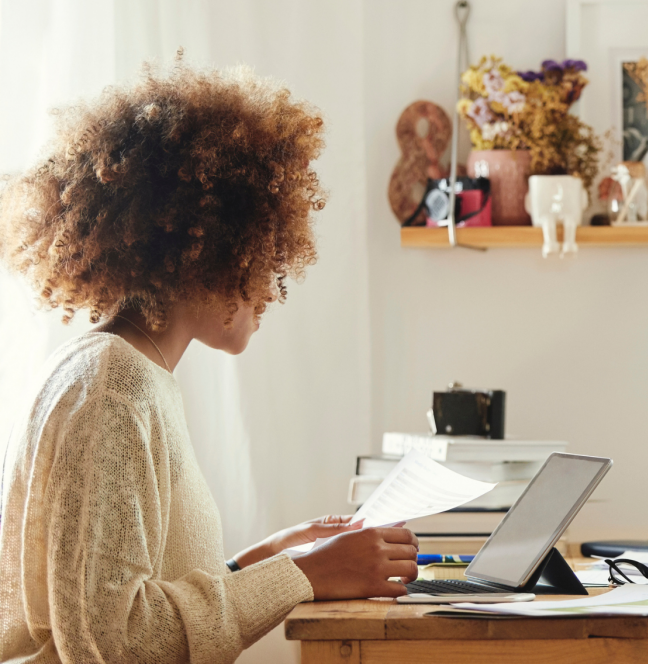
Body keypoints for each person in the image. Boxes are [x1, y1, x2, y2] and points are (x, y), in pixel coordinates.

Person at [0, 61, 419, 664]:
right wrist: (303, 575)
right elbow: (115, 644)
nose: (272, 282)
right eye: (264, 251)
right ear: (211, 249)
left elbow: (129, 598)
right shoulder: (112, 390)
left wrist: (267, 559)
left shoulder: (124, 372)